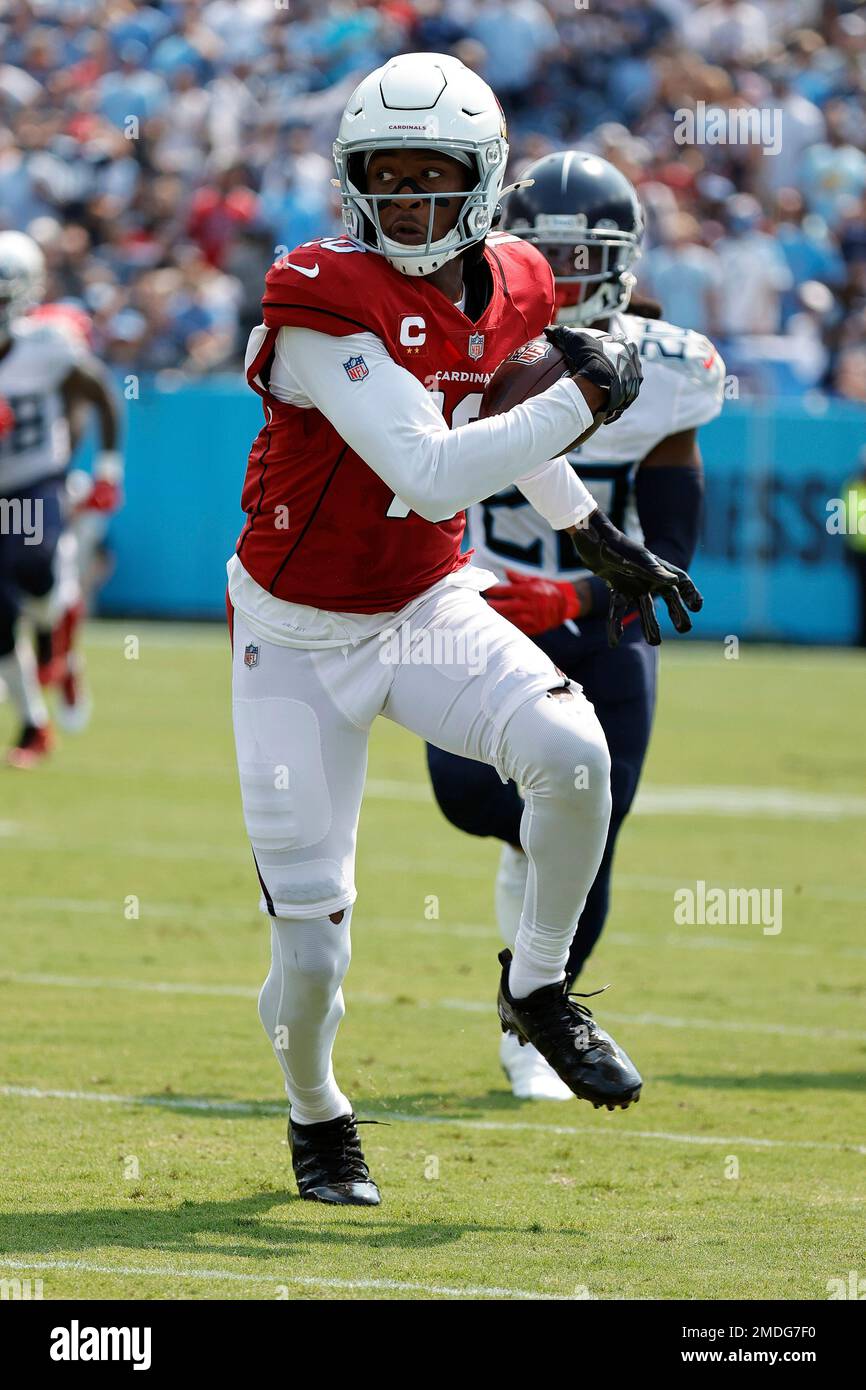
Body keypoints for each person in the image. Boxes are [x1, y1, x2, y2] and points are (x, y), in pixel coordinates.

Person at [227, 54, 701, 1207]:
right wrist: (584, 399)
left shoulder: (515, 279)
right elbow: (429, 468)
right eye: (380, 177)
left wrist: (588, 529)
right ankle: (317, 1112)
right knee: (312, 953)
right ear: (347, 183)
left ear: (483, 184)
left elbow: (492, 400)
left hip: (423, 604)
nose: (403, 202)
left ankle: (538, 987)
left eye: (428, 176)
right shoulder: (316, 297)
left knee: (572, 753)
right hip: (293, 637)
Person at [426, 151, 725, 1100]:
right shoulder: (474, 346)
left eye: (582, 253)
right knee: (473, 800)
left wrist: (583, 600)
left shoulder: (670, 370)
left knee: (597, 826)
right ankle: (531, 861)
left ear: (625, 258)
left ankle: (535, 1021)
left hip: (599, 622)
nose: (567, 270)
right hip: (480, 603)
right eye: (545, 250)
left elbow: (669, 543)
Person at [0, 232, 122, 766]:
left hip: (34, 481)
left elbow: (100, 393)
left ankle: (58, 639)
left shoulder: (47, 343)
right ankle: (34, 724)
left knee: (34, 573)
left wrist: (108, 470)